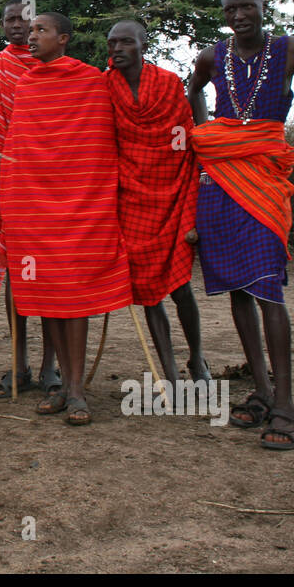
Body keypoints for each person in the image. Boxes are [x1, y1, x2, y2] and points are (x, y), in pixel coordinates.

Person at [186, 0, 294, 450]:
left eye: (247, 7)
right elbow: (194, 91)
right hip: (220, 182)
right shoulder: (211, 56)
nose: (239, 15)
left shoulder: (293, 50)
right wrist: (212, 134)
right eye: (230, 10)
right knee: (238, 289)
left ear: (265, 7)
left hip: (264, 179)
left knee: (267, 286)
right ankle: (262, 392)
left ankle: (285, 406)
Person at [1, 12, 132, 426]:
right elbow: (21, 145)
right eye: (32, 30)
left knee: (74, 297)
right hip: (35, 207)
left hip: (79, 205)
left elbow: (98, 139)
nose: (33, 35)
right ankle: (62, 388)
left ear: (64, 39)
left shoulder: (91, 80)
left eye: (42, 30)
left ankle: (75, 391)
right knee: (47, 296)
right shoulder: (25, 85)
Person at [106, 20, 209, 393]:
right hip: (130, 198)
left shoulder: (168, 83)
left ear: (143, 45)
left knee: (180, 285)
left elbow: (188, 136)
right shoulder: (105, 86)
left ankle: (196, 357)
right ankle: (169, 371)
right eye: (112, 42)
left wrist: (195, 189)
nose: (117, 48)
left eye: (126, 42)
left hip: (174, 191)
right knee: (148, 290)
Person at [0, 0, 57, 398]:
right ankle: (18, 363)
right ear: (2, 25)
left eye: (26, 20)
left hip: (49, 184)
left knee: (53, 273)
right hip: (9, 180)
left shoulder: (55, 68)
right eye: (10, 19)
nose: (18, 26)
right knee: (15, 272)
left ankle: (50, 367)